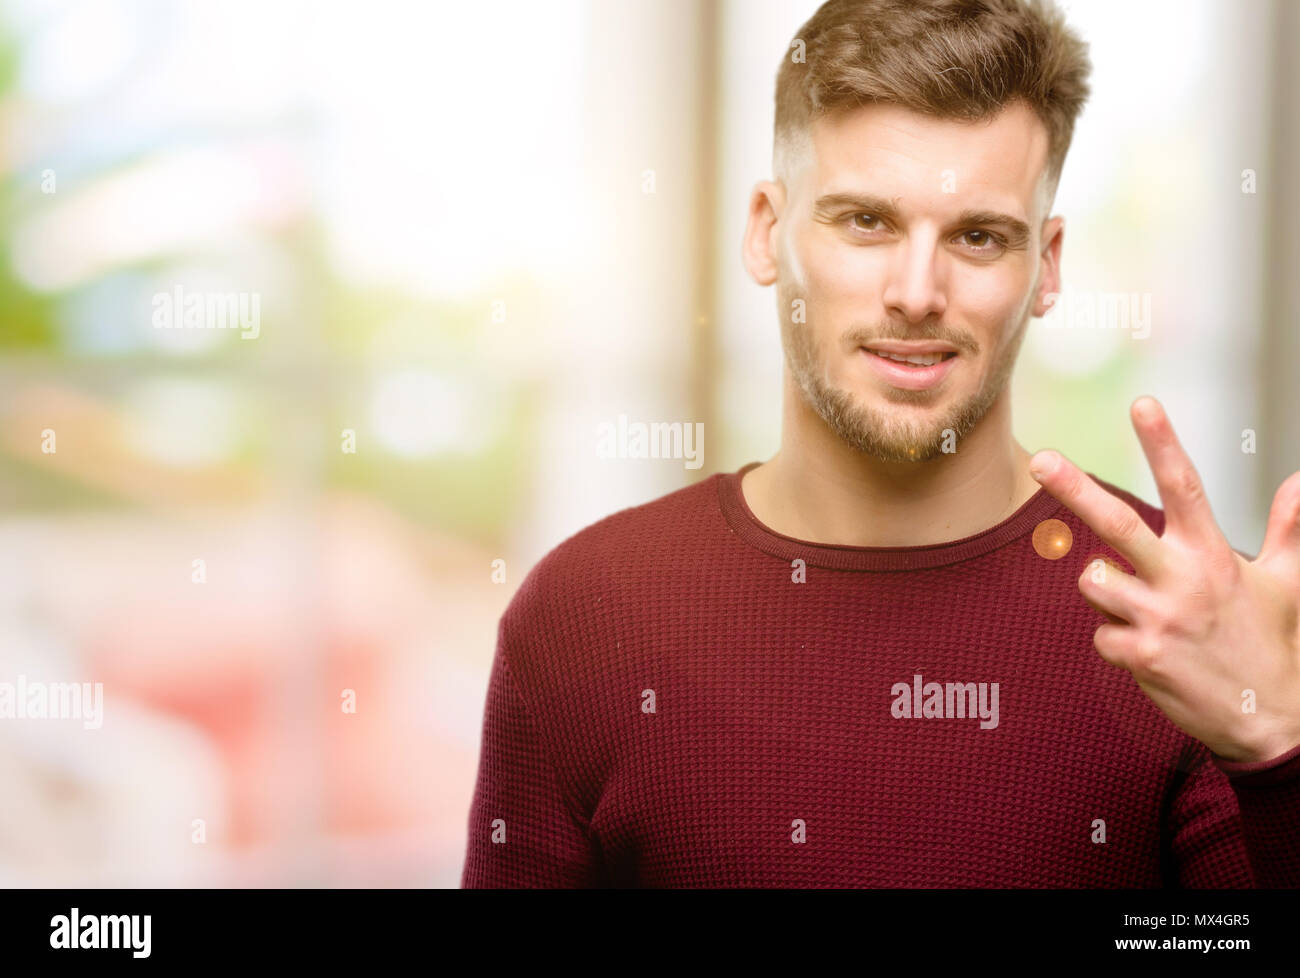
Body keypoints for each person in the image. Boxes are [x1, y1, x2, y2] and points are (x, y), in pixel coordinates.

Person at [462, 0, 1300, 887]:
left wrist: (1278, 742)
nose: (915, 291)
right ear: (765, 231)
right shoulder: (585, 615)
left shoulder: (1189, 624)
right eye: (866, 221)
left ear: (1047, 266)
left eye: (978, 237)